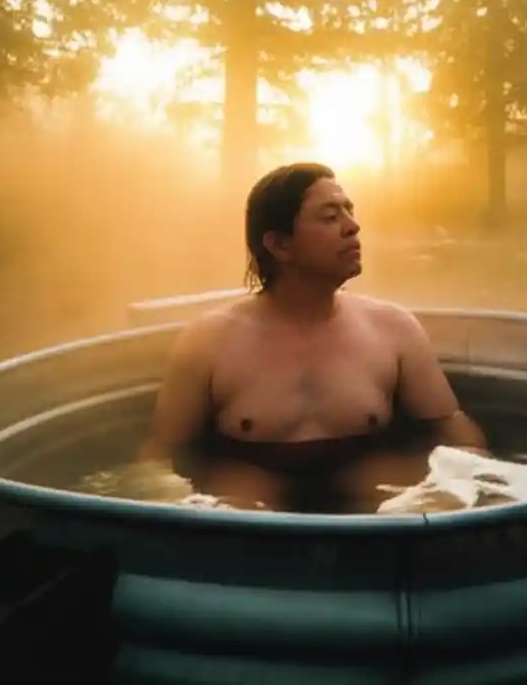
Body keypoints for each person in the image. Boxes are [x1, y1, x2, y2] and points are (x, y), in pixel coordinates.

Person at [139, 162, 487, 512]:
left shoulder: (393, 328)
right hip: (249, 528)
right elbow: (163, 455)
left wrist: (483, 489)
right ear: (280, 244)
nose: (353, 227)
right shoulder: (209, 341)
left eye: (349, 212)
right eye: (329, 217)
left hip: (375, 523)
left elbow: (451, 429)